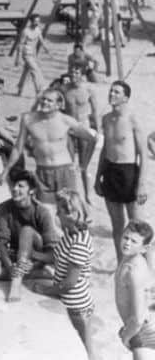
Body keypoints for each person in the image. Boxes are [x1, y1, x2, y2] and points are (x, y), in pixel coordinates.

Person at [0, 88, 96, 206]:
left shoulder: (66, 120)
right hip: (42, 173)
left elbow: (91, 139)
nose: (45, 102)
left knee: (69, 211)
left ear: (58, 105)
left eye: (49, 101)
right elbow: (18, 148)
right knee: (45, 212)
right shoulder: (29, 119)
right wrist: (5, 171)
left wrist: (83, 166)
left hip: (64, 172)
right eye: (43, 99)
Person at [32, 190, 97, 360]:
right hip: (67, 299)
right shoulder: (70, 234)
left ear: (72, 215)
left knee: (86, 349)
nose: (56, 214)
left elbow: (69, 283)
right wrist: (35, 255)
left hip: (76, 304)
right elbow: (57, 255)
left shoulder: (80, 243)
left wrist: (44, 290)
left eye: (60, 211)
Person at [0, 169, 60, 302]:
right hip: (16, 255)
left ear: (32, 190)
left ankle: (16, 282)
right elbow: (1, 242)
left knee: (26, 230)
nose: (14, 189)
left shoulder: (42, 212)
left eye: (20, 186)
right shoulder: (3, 208)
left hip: (37, 256)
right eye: (13, 185)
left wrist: (35, 263)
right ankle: (37, 273)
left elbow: (52, 253)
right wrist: (9, 266)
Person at [95, 80, 147, 263]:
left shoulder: (133, 119)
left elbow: (143, 154)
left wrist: (141, 185)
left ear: (126, 97)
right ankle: (121, 264)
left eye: (116, 92)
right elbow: (104, 150)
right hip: (110, 172)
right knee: (117, 227)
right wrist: (97, 177)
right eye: (111, 91)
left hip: (129, 172)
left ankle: (146, 264)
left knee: (137, 226)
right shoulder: (106, 119)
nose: (111, 95)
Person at [114, 220, 155, 357]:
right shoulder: (131, 259)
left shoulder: (133, 271)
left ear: (143, 248)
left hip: (143, 331)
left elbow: (138, 318)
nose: (127, 243)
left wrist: (127, 336)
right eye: (126, 237)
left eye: (133, 241)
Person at [63, 64, 100, 204]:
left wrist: (98, 130)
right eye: (71, 72)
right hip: (69, 128)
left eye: (77, 72)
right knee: (69, 164)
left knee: (84, 165)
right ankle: (72, 195)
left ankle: (88, 194)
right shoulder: (64, 89)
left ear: (82, 74)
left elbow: (95, 111)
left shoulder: (89, 89)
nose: (74, 75)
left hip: (83, 127)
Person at [16, 13, 50, 97]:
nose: (37, 23)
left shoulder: (38, 30)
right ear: (31, 22)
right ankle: (39, 89)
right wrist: (17, 58)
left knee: (26, 72)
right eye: (35, 21)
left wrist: (46, 49)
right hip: (26, 53)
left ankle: (20, 88)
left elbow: (41, 40)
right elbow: (20, 44)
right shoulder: (26, 31)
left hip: (33, 53)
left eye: (38, 21)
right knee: (35, 70)